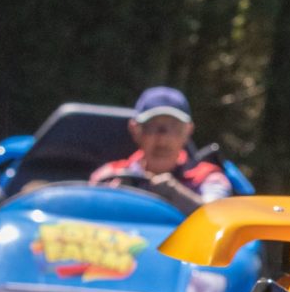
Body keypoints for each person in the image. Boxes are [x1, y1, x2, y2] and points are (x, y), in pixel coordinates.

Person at [89, 86, 238, 210]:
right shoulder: (109, 176)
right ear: (135, 130)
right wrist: (109, 199)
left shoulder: (209, 178)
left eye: (174, 128)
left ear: (188, 131)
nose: (163, 139)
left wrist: (175, 193)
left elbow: (217, 219)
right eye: (152, 127)